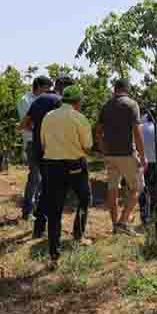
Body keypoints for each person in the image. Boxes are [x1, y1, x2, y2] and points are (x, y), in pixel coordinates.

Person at [39, 85, 93, 268]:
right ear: (78, 102)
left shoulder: (48, 117)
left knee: (55, 210)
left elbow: (43, 143)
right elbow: (87, 146)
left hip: (52, 166)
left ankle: (54, 254)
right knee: (84, 199)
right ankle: (78, 234)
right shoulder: (79, 118)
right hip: (75, 165)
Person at [97, 79, 145, 235]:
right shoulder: (131, 105)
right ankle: (123, 222)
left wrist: (104, 150)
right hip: (127, 154)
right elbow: (137, 132)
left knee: (112, 189)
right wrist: (142, 156)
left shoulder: (106, 106)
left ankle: (115, 224)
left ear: (114, 89)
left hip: (110, 154)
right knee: (138, 187)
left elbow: (98, 131)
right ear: (127, 89)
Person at [16, 76, 59, 234]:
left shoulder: (43, 100)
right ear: (39, 86)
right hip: (32, 142)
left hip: (44, 142)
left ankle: (37, 210)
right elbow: (27, 123)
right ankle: (27, 211)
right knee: (35, 177)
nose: (48, 92)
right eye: (46, 88)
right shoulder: (25, 100)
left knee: (42, 179)